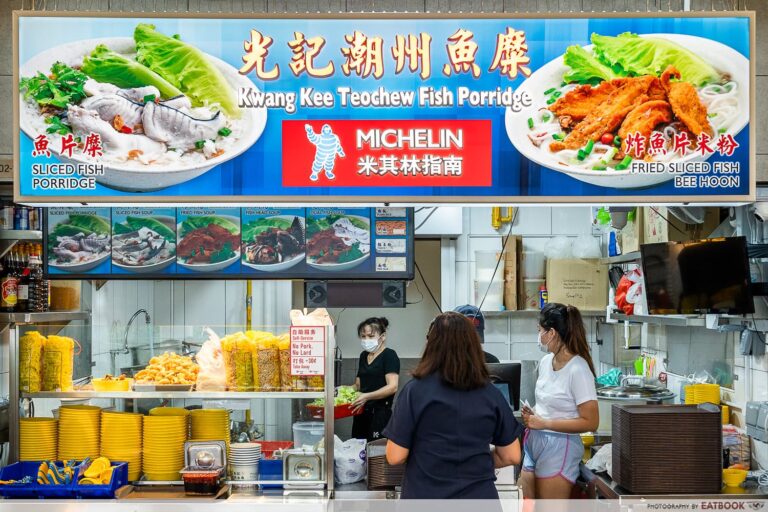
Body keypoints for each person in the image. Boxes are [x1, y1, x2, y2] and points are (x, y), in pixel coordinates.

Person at [383, 312, 523, 499]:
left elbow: (395, 456)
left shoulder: (414, 391)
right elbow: (511, 455)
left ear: (431, 344)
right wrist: (474, 462)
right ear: (473, 345)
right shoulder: (491, 394)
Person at [519, 303, 599, 499]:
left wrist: (545, 423)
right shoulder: (546, 362)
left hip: (559, 447)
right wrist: (533, 414)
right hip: (535, 441)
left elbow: (591, 422)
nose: (539, 336)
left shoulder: (578, 369)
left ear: (552, 333)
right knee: (525, 506)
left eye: (540, 330)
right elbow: (547, 402)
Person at [350, 317, 400, 442]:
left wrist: (367, 396)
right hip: (361, 412)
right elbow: (358, 385)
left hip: (379, 414)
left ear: (382, 336)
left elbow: (393, 386)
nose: (366, 340)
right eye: (363, 336)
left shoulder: (389, 355)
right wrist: (344, 390)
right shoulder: (363, 355)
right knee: (358, 447)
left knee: (376, 450)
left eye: (371, 336)